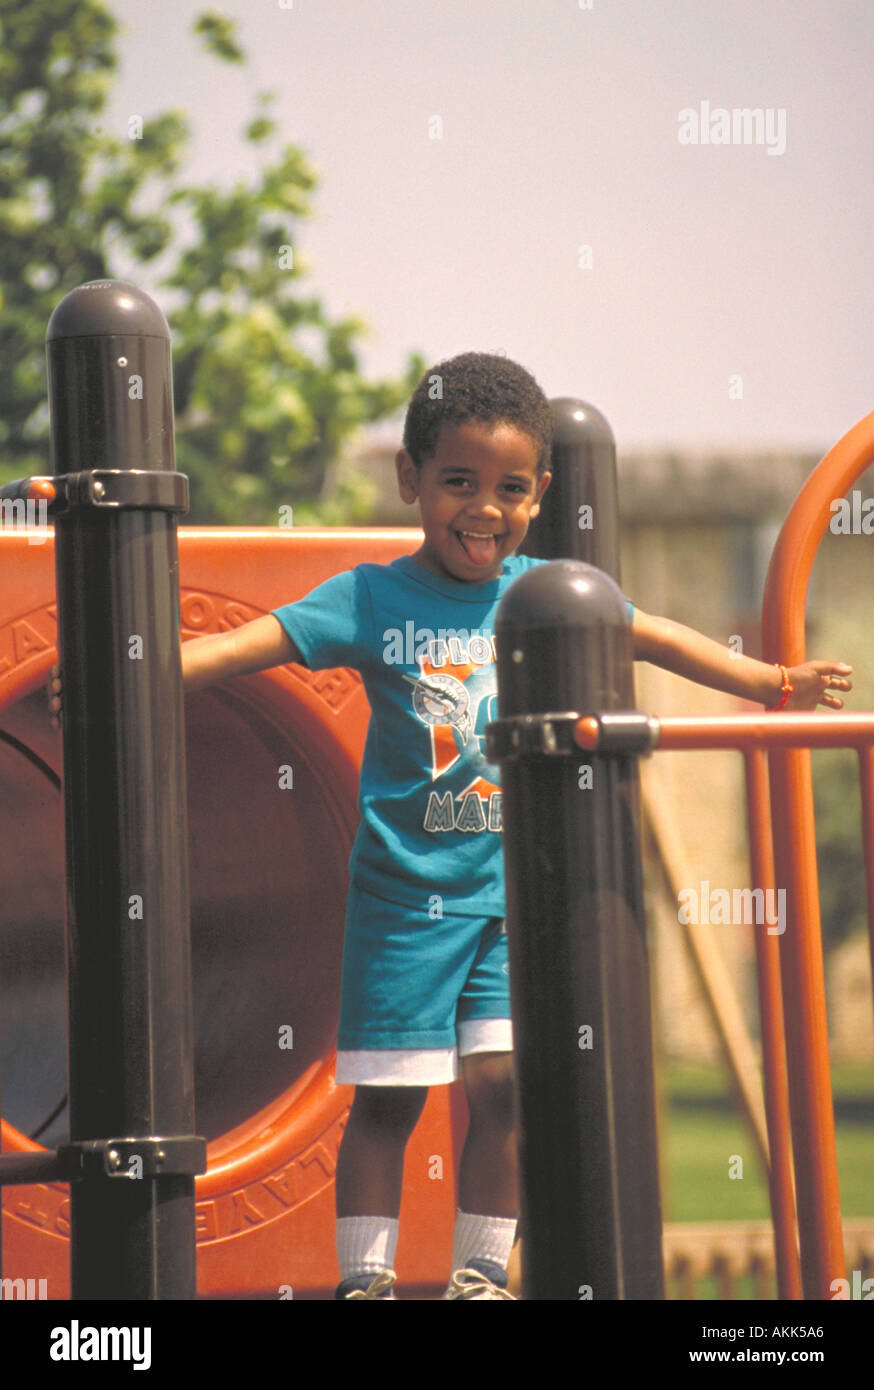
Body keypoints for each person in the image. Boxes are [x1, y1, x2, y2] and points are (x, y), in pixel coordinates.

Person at [58, 352, 852, 1300]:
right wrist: (124, 669)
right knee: (391, 1100)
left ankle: (480, 1271)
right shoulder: (373, 599)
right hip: (404, 902)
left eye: (511, 489)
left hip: (507, 902)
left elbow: (651, 633)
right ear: (411, 481)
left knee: (505, 1092)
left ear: (540, 493)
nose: (485, 508)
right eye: (459, 483)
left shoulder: (545, 594)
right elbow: (242, 646)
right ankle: (367, 1278)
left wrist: (767, 683)